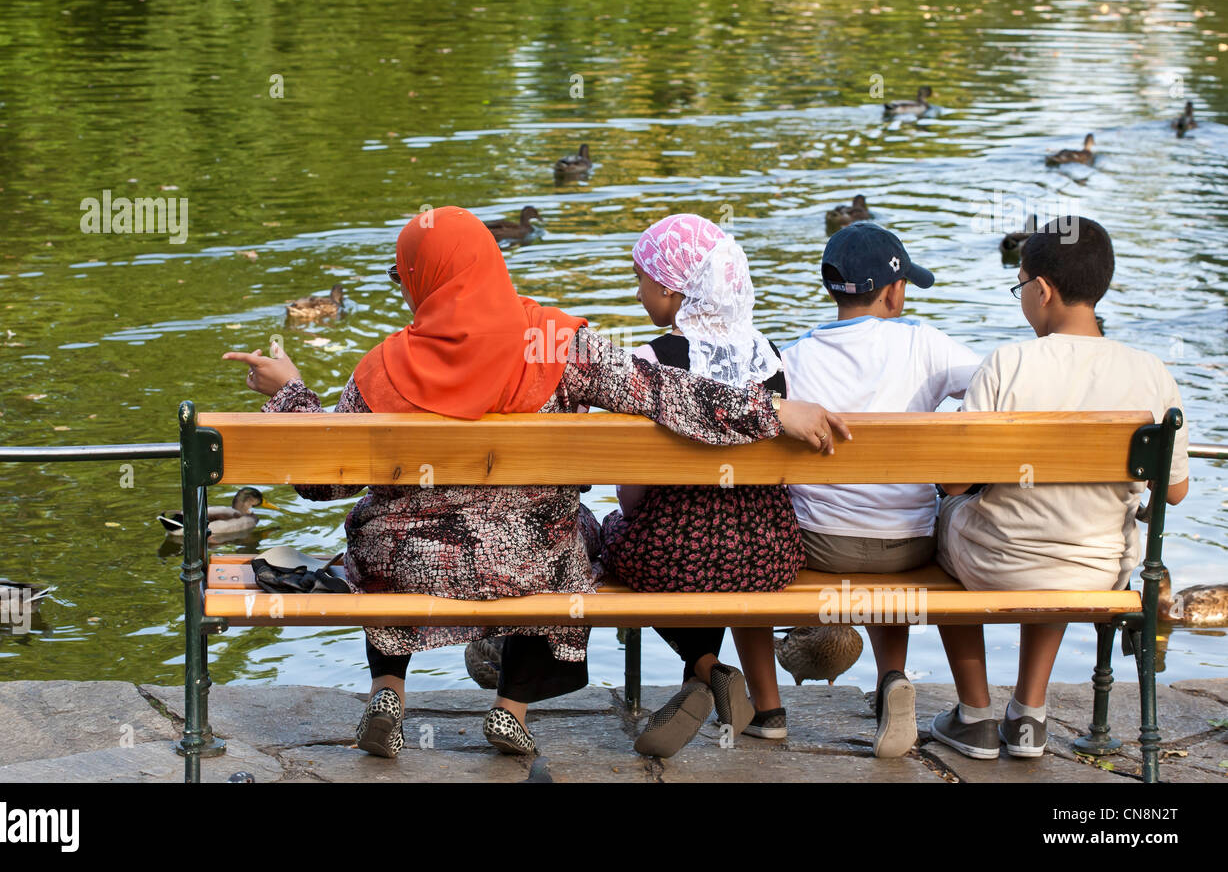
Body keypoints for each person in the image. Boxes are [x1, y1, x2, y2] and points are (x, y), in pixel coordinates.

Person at [222, 206, 850, 760]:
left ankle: (388, 694)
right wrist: (773, 411)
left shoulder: (382, 367)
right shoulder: (557, 342)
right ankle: (512, 709)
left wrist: (291, 393)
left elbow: (320, 486)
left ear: (420, 279)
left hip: (407, 567)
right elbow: (663, 394)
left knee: (374, 540)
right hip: (531, 567)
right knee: (568, 534)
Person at [929, 216, 1190, 760]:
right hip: (1102, 570)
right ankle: (1029, 713)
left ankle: (975, 713)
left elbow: (954, 479)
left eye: (1019, 284)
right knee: (1060, 530)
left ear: (1042, 289)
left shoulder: (1009, 363)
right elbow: (1176, 491)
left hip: (998, 562)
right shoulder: (1151, 372)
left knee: (941, 517)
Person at [599, 214, 801, 758]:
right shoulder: (771, 357)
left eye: (642, 280)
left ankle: (708, 671)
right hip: (767, 549)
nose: (640, 293)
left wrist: (631, 511)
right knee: (714, 560)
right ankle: (751, 699)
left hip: (677, 553)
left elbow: (632, 490)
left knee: (614, 538)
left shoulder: (651, 362)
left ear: (671, 288)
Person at [782, 221, 981, 757]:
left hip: (818, 545)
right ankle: (892, 675)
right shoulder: (924, 343)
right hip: (907, 545)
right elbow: (993, 385)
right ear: (894, 291)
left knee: (834, 518)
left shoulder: (794, 356)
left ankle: (772, 707)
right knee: (923, 515)